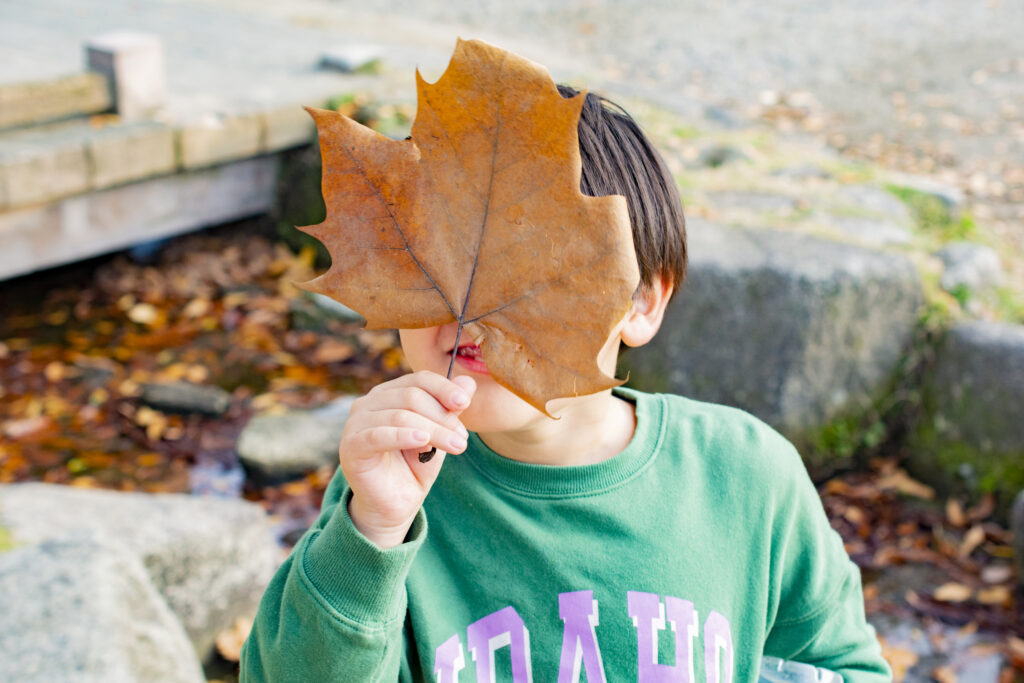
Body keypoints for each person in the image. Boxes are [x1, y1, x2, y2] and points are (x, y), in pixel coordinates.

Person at [240, 85, 892, 683]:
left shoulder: (746, 475)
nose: (472, 308)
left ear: (640, 303)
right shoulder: (391, 492)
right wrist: (371, 535)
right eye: (439, 261)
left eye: (533, 268)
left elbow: (842, 666)